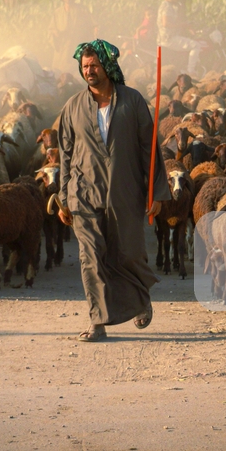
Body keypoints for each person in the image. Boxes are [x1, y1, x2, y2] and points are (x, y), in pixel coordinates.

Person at [57, 39, 170, 342]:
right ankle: (98, 321)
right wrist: (63, 198)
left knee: (129, 253)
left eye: (93, 65)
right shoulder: (72, 107)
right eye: (84, 67)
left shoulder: (132, 102)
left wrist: (157, 191)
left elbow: (150, 150)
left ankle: (140, 298)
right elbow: (65, 154)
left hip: (125, 190)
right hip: (84, 192)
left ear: (106, 66)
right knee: (91, 257)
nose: (89, 71)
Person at [48, 0, 97, 70]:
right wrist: (56, 34)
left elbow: (93, 25)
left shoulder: (82, 9)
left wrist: (94, 40)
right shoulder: (57, 12)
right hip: (62, 48)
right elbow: (52, 29)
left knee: (79, 70)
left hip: (79, 45)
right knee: (59, 72)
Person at [157, 0, 201, 75]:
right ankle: (190, 71)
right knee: (196, 45)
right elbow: (165, 23)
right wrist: (182, 25)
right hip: (169, 38)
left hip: (166, 37)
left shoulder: (167, 5)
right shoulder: (167, 6)